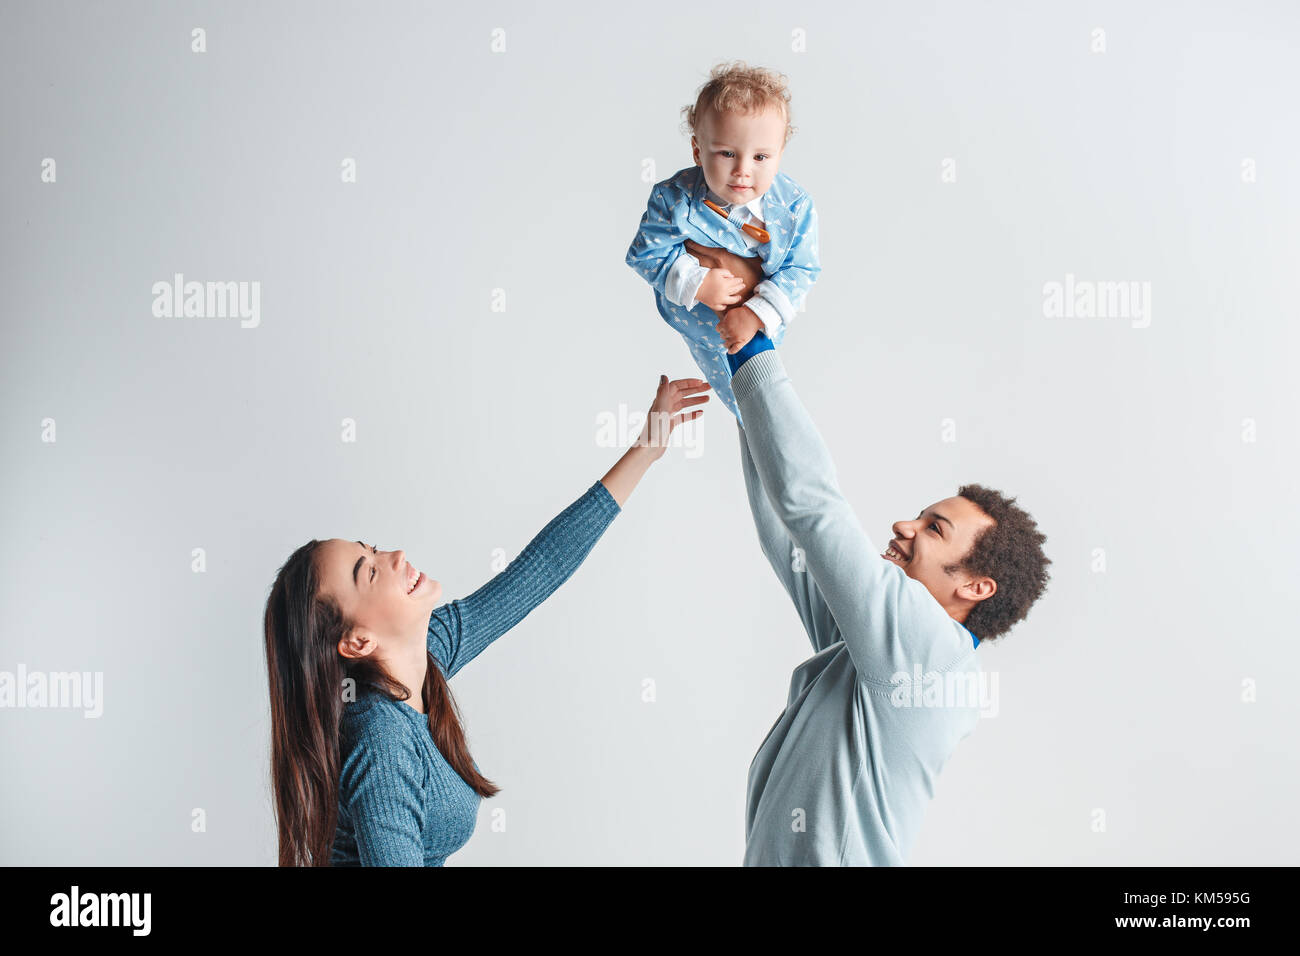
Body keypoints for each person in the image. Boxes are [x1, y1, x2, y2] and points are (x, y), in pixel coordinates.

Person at [689, 240, 1052, 866]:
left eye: (934, 529)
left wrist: (754, 344)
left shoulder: (924, 653)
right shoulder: (880, 653)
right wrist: (738, 369)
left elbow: (816, 509)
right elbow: (792, 533)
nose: (904, 525)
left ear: (976, 586)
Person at [262, 375, 711, 866]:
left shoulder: (423, 658)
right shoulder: (382, 740)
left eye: (372, 548)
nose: (394, 556)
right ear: (357, 641)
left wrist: (645, 449)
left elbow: (539, 571)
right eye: (368, 572)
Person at [625, 61, 821, 422]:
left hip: (763, 319)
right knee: (744, 411)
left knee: (770, 407)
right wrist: (698, 282)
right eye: (727, 153)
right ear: (698, 150)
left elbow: (802, 267)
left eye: (761, 157)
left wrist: (754, 313)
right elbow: (645, 253)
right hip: (702, 324)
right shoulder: (676, 199)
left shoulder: (793, 207)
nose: (743, 169)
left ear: (779, 156)